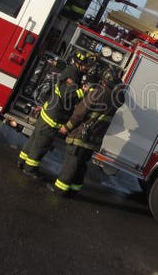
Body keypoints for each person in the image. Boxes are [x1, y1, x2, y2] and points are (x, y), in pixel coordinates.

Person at [16, 51, 96, 178]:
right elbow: (67, 95)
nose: (88, 68)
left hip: (48, 114)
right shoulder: (72, 74)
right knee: (41, 145)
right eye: (87, 66)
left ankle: (22, 161)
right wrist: (84, 92)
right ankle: (30, 168)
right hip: (52, 118)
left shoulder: (73, 72)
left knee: (34, 140)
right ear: (80, 63)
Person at [53, 66, 126, 197]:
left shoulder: (97, 93)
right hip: (94, 140)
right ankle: (74, 190)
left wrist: (67, 127)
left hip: (81, 136)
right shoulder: (116, 99)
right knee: (81, 165)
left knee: (71, 163)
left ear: (103, 82)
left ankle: (59, 190)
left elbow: (79, 114)